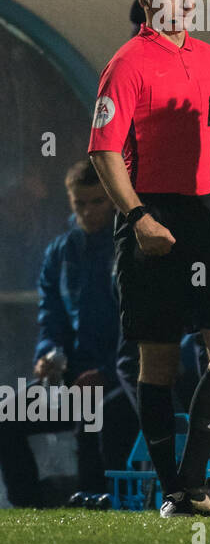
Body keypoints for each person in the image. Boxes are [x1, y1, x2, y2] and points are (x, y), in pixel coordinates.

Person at [88, 0, 210, 517]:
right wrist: (139, 219)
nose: (186, 4)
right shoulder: (127, 63)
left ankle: (190, 485)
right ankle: (179, 493)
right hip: (151, 212)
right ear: (145, 0)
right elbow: (104, 153)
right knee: (157, 364)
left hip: (209, 215)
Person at [0, 160, 136, 506]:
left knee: (95, 420)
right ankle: (32, 507)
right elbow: (51, 319)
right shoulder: (60, 253)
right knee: (8, 414)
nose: (88, 212)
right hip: (70, 384)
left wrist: (106, 373)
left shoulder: (131, 249)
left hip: (121, 383)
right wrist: (47, 355)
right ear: (70, 201)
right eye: (80, 204)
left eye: (97, 202)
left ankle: (95, 500)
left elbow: (137, 329)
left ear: (113, 199)